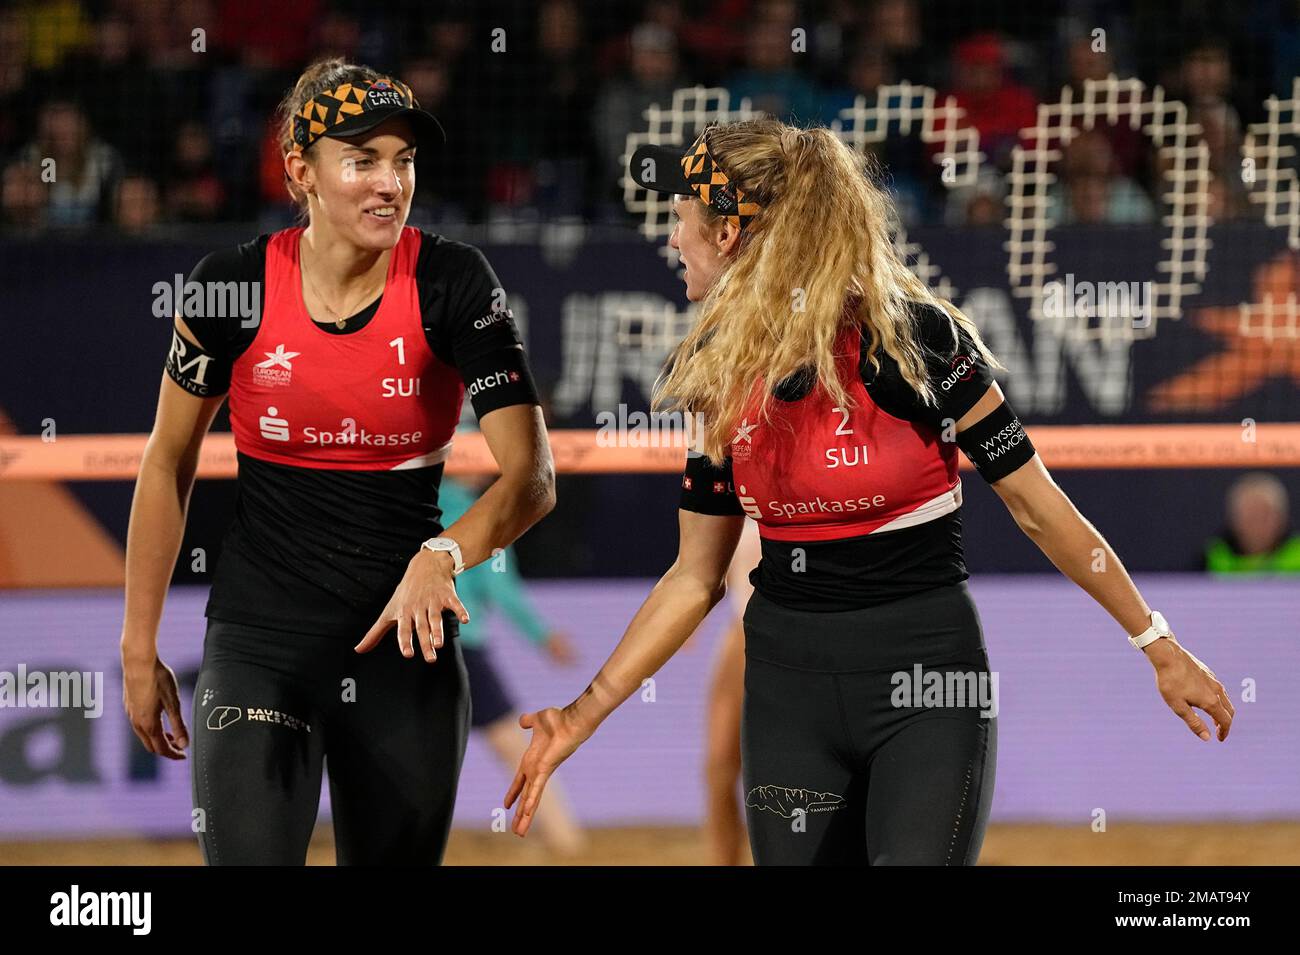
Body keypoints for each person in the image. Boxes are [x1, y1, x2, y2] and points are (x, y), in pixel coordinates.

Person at [505, 118, 1233, 865]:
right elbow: (695, 577)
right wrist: (579, 715)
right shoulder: (714, 370)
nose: (670, 238)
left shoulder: (919, 344)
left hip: (928, 685)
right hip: (788, 693)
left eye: (679, 218)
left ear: (727, 234)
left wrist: (1158, 642)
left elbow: (1038, 508)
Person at [120, 58, 555, 865]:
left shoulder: (453, 281)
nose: (390, 183)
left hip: (407, 651)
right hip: (259, 647)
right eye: (363, 160)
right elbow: (165, 462)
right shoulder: (232, 287)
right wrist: (136, 645)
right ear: (301, 171)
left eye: (405, 160)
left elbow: (531, 477)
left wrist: (445, 552)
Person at [438, 475, 588, 857]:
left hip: (405, 638)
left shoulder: (408, 497)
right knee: (511, 743)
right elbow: (501, 586)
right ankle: (562, 835)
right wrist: (543, 635)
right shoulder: (481, 509)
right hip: (459, 642)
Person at [1203, 472, 1300, 573]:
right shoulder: (1213, 558)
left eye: (1265, 516)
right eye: (1250, 516)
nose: (1257, 525)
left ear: (1280, 518)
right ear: (1235, 519)